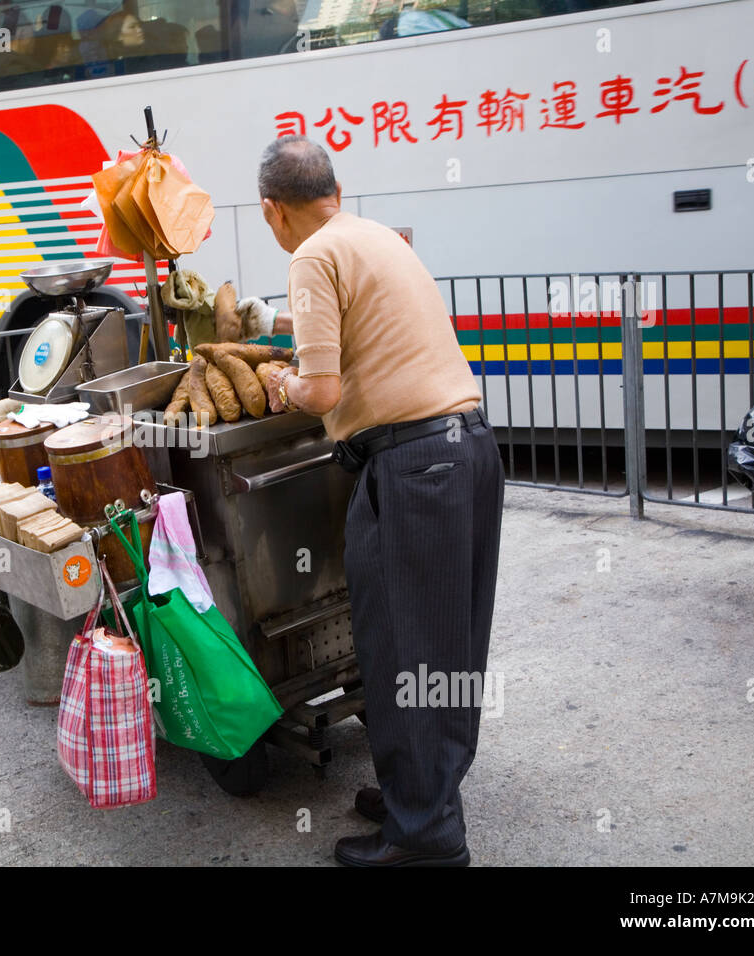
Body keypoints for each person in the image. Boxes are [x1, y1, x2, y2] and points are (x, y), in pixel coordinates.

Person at [255, 136, 503, 867]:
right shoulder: (372, 235)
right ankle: (421, 793)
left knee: (405, 648)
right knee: (447, 645)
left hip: (415, 467)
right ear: (336, 187)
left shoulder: (309, 256)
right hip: (468, 450)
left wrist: (283, 385)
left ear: (272, 210)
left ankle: (426, 838)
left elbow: (321, 389)